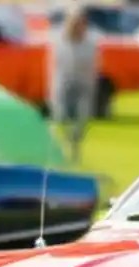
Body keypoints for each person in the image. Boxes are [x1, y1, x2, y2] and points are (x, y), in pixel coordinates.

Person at [50, 6, 99, 163]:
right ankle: (62, 149)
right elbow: (55, 67)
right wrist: (53, 90)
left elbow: (94, 67)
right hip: (64, 83)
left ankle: (75, 149)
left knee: (81, 119)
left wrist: (92, 85)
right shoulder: (60, 42)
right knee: (61, 118)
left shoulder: (90, 43)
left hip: (84, 85)